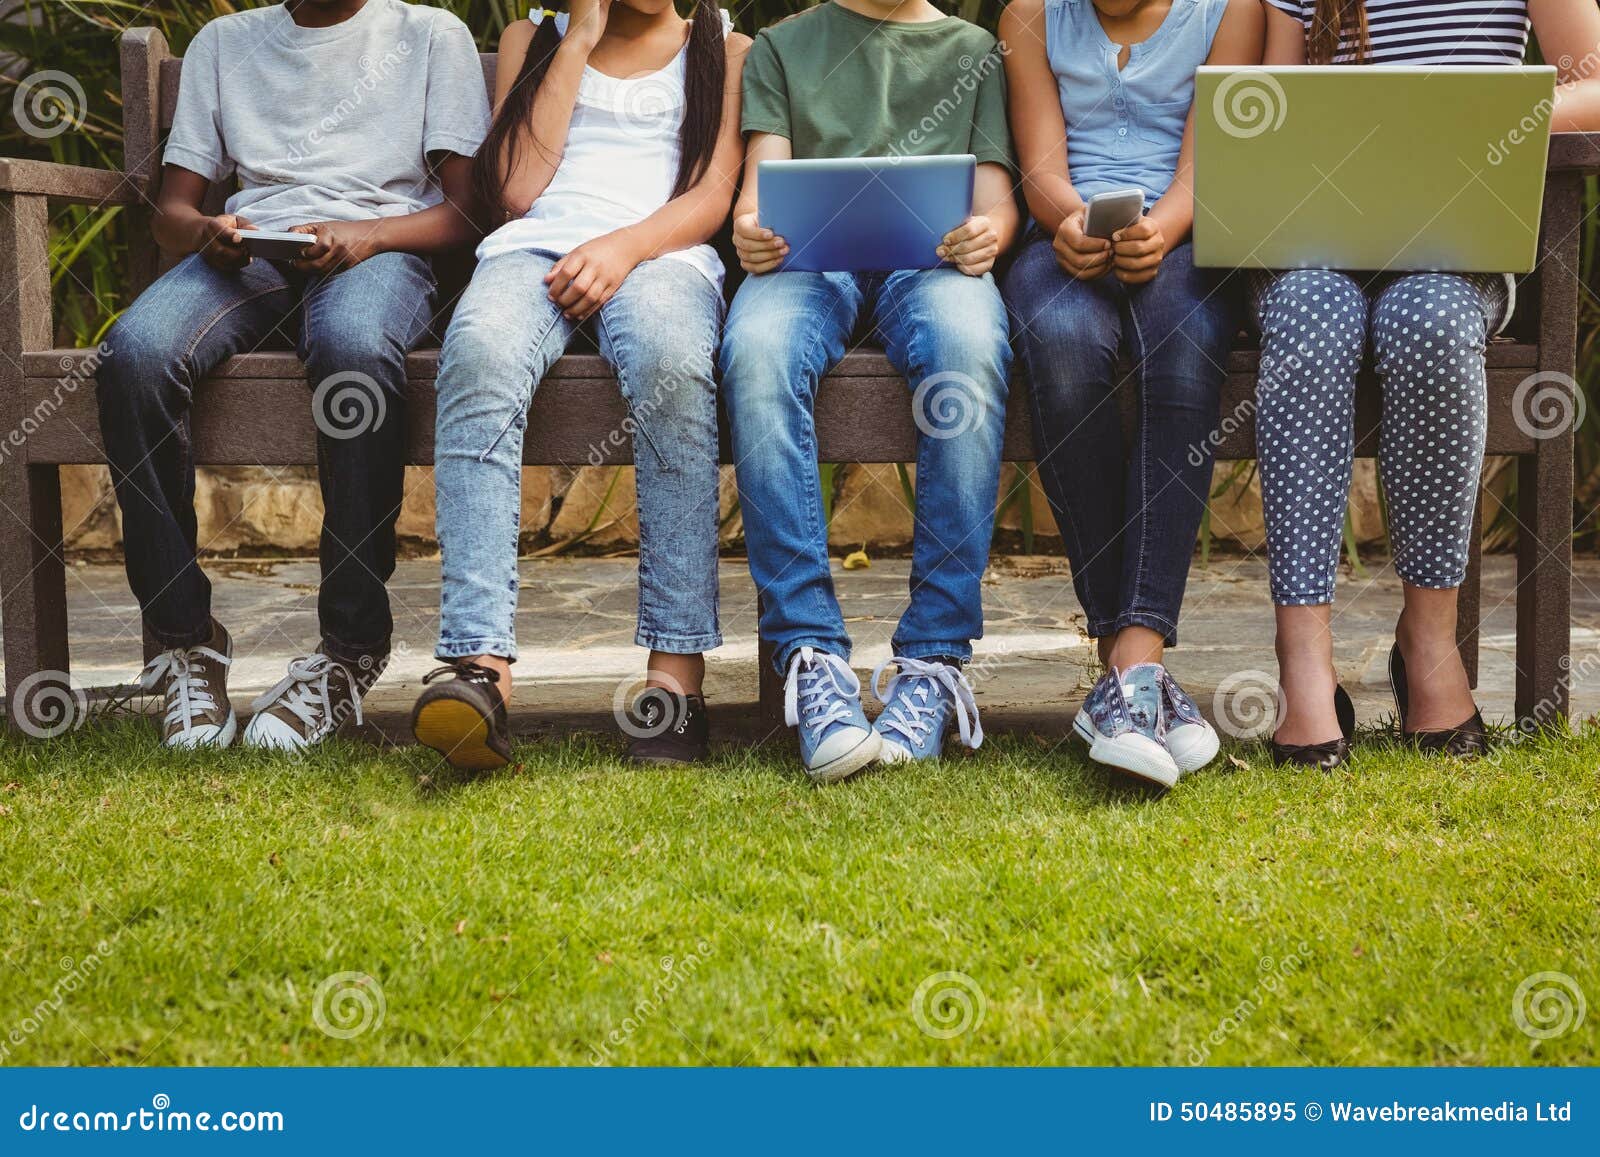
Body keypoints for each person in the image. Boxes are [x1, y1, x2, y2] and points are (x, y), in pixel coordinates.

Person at [95, 0, 489, 749]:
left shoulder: (430, 35)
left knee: (353, 350)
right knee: (136, 353)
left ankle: (347, 652)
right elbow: (170, 212)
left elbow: (466, 214)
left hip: (380, 253)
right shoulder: (224, 44)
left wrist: (368, 234)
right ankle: (186, 644)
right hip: (251, 260)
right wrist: (207, 231)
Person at [1255, 0, 1600, 768]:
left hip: (1453, 250)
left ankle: (1429, 641)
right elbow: (1267, 105)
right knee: (1315, 317)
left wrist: (1465, 123)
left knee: (1431, 321)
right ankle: (1303, 656)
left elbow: (1595, 85)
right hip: (1311, 250)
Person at [410, 0, 749, 770]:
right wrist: (582, 35)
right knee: (479, 353)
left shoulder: (725, 47)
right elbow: (518, 191)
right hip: (532, 249)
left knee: (672, 363)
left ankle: (675, 682)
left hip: (661, 252)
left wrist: (623, 248)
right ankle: (480, 672)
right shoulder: (533, 39)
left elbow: (711, 198)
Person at [719, 0, 1019, 784]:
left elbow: (995, 200)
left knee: (967, 347)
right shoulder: (784, 48)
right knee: (756, 351)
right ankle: (811, 657)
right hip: (809, 261)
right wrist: (751, 226)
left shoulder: (976, 51)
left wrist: (992, 230)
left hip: (936, 263)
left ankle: (933, 662)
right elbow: (758, 191)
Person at [1001, 0, 1263, 788]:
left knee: (1184, 354)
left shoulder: (1230, 12)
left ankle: (1132, 661)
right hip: (1067, 238)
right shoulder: (1030, 15)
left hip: (1183, 233)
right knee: (1064, 342)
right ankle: (1139, 683)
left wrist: (1167, 225)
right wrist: (1069, 220)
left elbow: (1206, 158)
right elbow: (1040, 168)